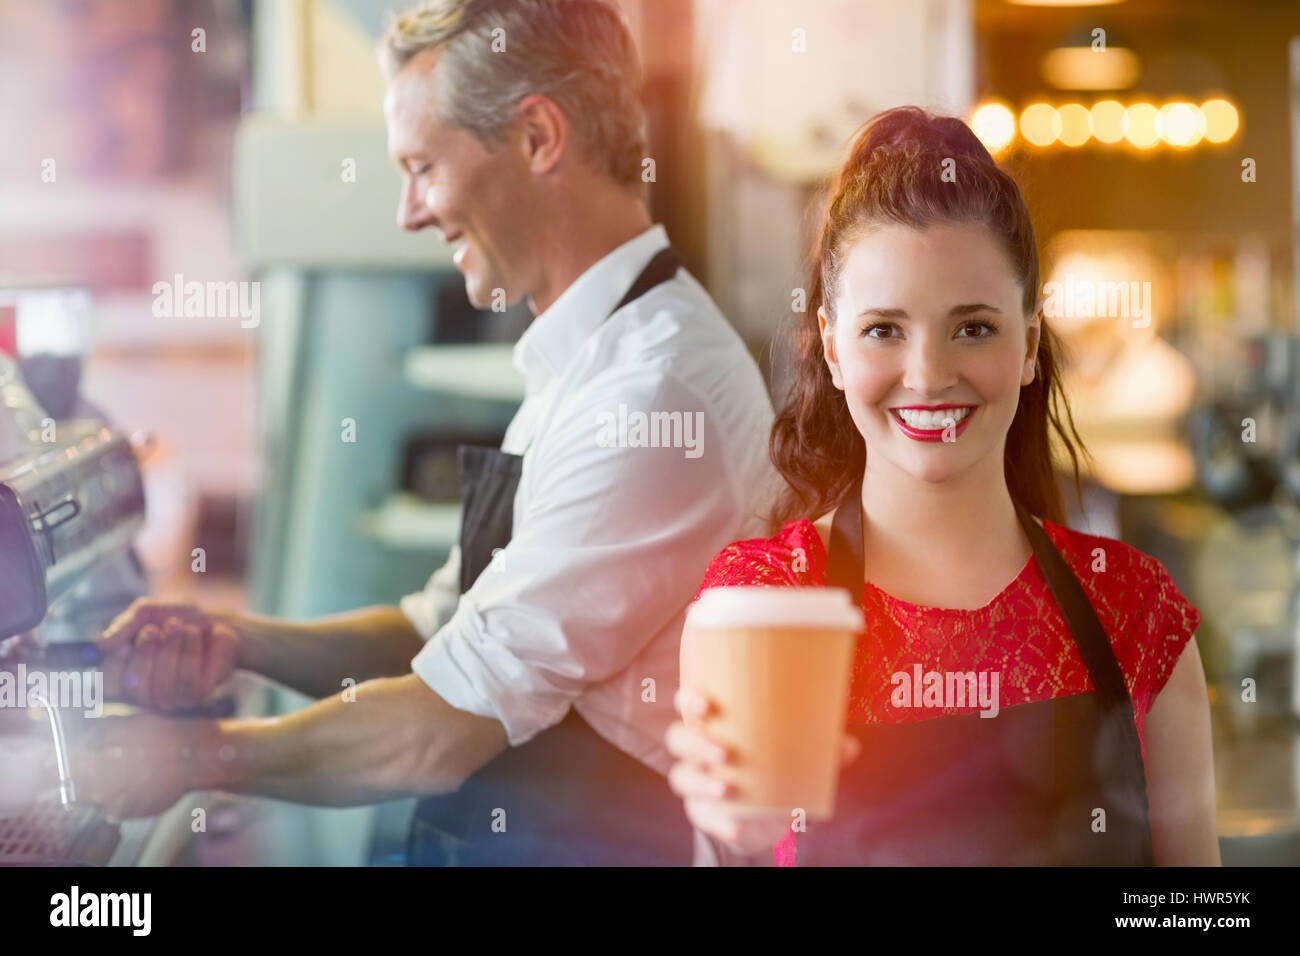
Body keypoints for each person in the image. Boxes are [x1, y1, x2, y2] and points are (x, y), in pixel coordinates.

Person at [80, 0, 775, 866]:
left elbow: (435, 732)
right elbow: (435, 633)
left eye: (423, 167)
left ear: (536, 138)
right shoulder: (586, 363)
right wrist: (239, 641)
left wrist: (192, 757)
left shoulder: (652, 395)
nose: (409, 211)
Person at [665, 106, 1219, 867]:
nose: (927, 376)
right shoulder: (766, 606)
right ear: (830, 348)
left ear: (1028, 344)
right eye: (884, 329)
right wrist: (732, 843)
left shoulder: (1136, 609)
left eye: (974, 327)